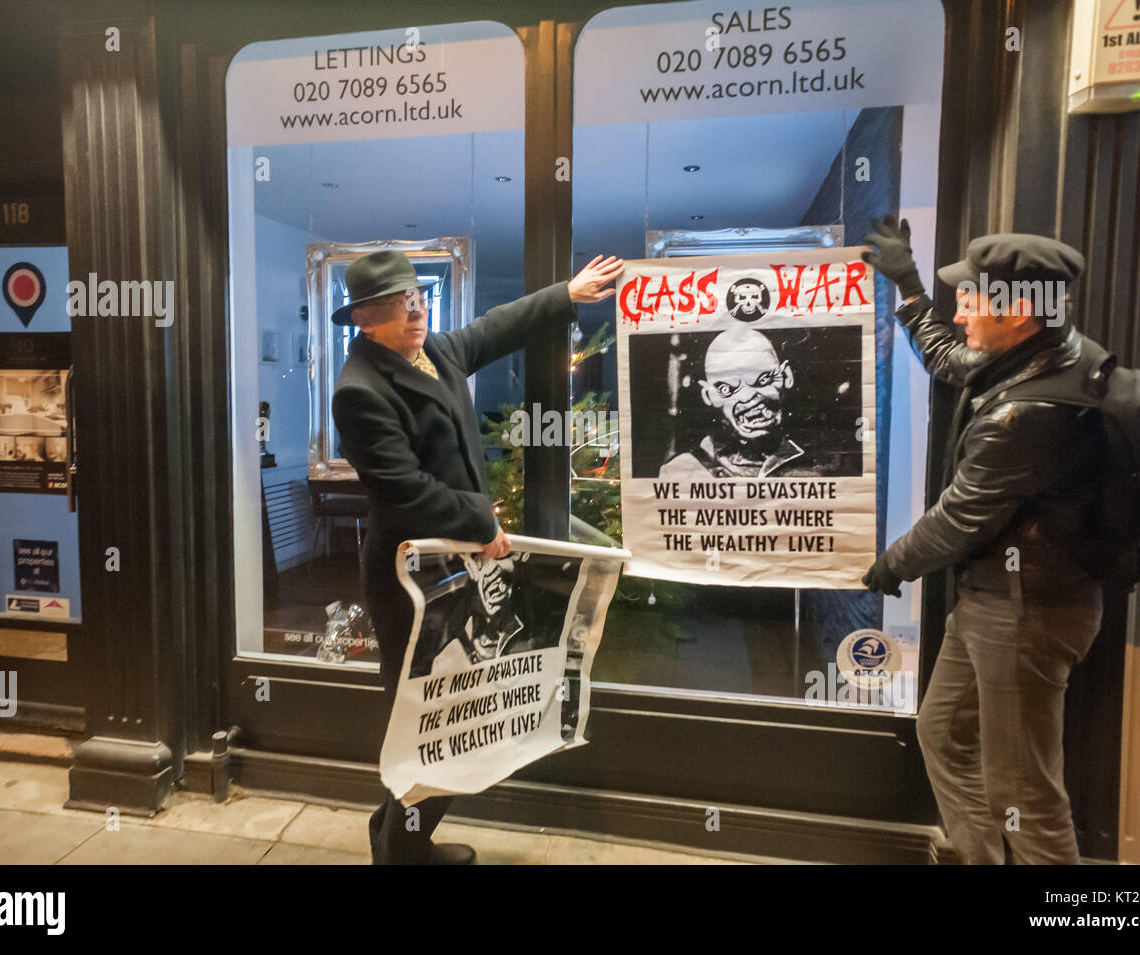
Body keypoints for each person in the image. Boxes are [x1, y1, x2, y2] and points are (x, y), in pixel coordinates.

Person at [332, 249, 623, 865]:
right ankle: (400, 851)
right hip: (412, 575)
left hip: (461, 561)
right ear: (364, 319)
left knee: (454, 713)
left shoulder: (434, 352)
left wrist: (567, 294)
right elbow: (404, 489)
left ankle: (396, 839)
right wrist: (481, 519)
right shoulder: (358, 391)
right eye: (396, 305)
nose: (414, 312)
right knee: (430, 718)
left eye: (415, 298)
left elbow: (494, 328)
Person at [860, 216, 1107, 864]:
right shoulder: (1035, 356)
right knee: (943, 734)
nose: (961, 310)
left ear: (1018, 311)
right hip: (994, 599)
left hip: (1027, 613)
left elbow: (959, 518)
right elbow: (951, 358)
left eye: (970, 298)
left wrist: (891, 564)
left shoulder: (1035, 410)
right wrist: (910, 288)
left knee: (1025, 793)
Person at [658, 326, 803, 478]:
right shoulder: (683, 472)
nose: (747, 397)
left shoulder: (818, 463)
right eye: (727, 389)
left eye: (764, 379)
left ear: (786, 376)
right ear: (709, 395)